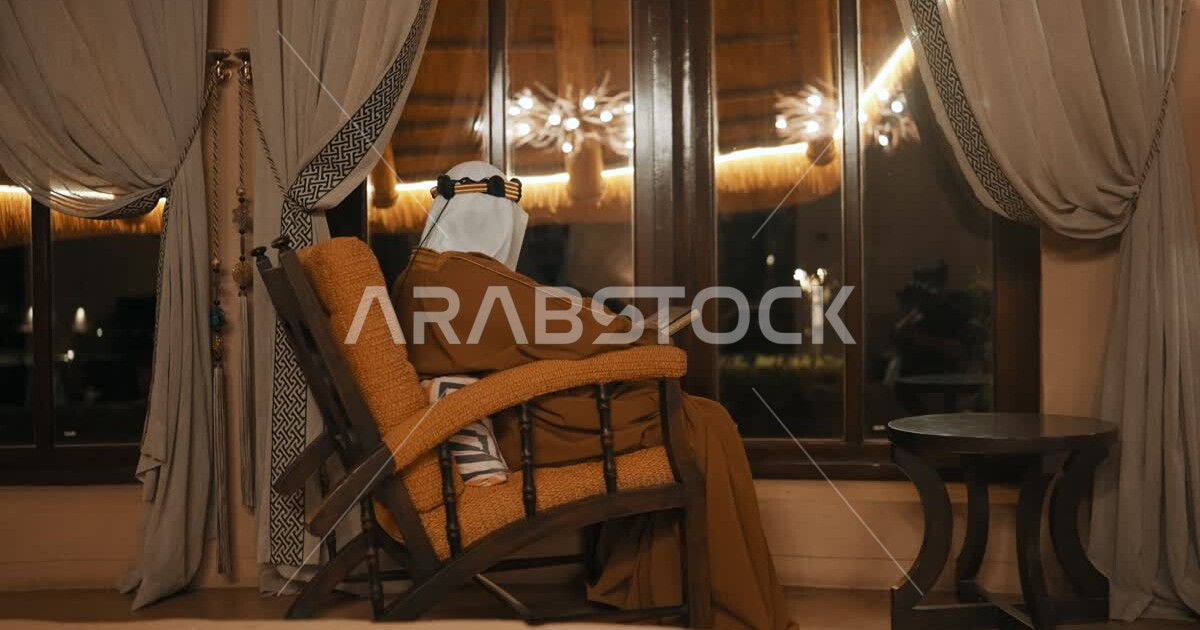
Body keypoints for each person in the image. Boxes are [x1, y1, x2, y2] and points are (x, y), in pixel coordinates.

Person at [391, 161, 794, 629]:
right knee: (704, 420)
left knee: (693, 415)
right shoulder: (463, 276)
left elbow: (533, 320)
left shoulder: (420, 273)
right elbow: (571, 327)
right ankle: (726, 604)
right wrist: (636, 331)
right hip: (515, 431)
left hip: (496, 423)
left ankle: (644, 583)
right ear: (491, 219)